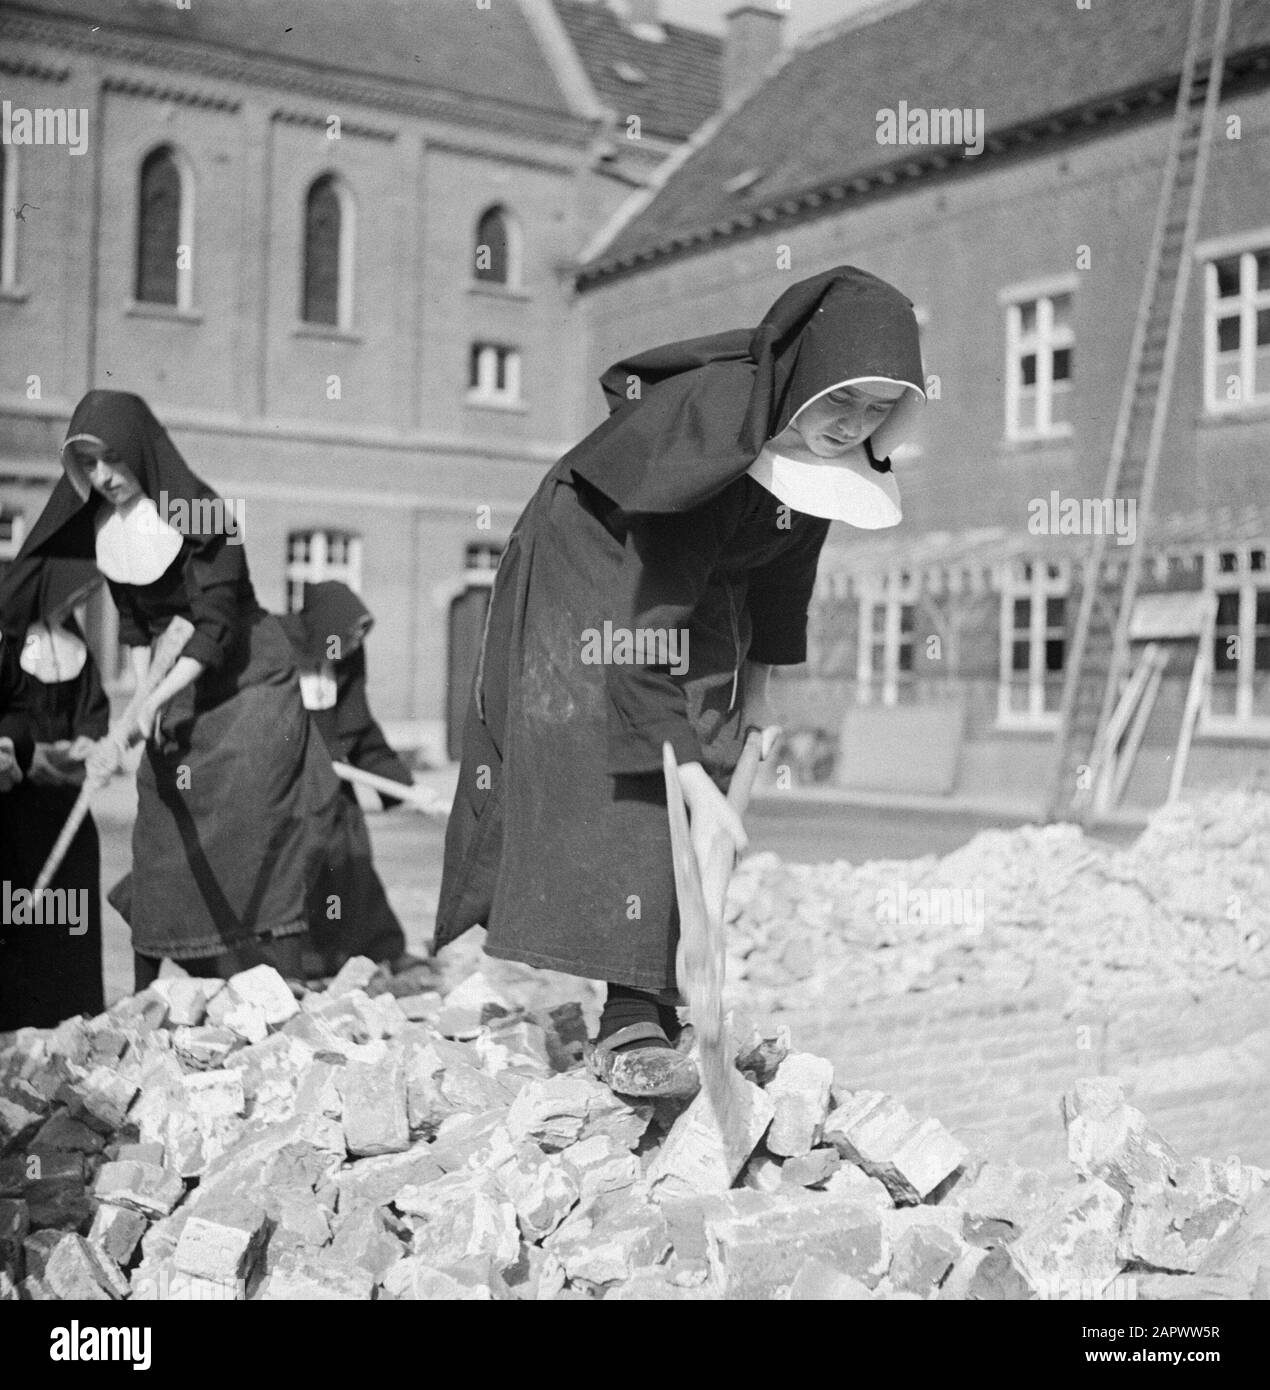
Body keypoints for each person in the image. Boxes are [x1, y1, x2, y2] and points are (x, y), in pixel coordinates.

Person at [434, 265, 926, 1097]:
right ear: (803, 381)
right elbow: (640, 633)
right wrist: (694, 776)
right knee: (629, 766)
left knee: (715, 722)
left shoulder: (816, 468)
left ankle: (671, 1001)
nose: (854, 426)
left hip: (695, 584)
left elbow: (781, 584)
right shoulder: (713, 448)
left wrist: (759, 704)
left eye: (878, 409)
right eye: (842, 400)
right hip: (596, 566)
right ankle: (630, 1019)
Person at [10, 390, 340, 991]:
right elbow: (139, 627)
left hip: (249, 683)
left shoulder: (201, 512)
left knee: (253, 824)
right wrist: (142, 701)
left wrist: (151, 706)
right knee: (161, 821)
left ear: (140, 450)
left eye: (113, 458)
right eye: (87, 464)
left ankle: (280, 985)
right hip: (173, 682)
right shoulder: (105, 525)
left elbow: (212, 626)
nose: (103, 477)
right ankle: (152, 995)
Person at [277, 580, 424, 977]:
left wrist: (403, 786)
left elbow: (359, 726)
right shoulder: (278, 647)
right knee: (299, 871)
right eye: (350, 632)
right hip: (286, 786)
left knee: (354, 862)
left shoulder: (346, 660)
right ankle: (303, 961)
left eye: (362, 633)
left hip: (335, 787)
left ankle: (380, 951)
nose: (357, 642)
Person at [0, 558, 108, 1029]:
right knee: (19, 903)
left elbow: (92, 709)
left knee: (72, 901)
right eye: (70, 597)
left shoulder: (75, 647)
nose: (75, 607)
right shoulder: (11, 644)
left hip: (65, 798)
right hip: (17, 797)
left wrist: (89, 737)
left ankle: (71, 1011)